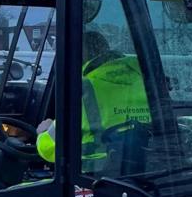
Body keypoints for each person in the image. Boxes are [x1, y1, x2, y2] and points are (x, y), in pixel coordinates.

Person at [36, 31, 151, 170]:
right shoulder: (147, 82)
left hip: (95, 180)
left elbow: (49, 150)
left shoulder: (85, 89)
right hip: (146, 173)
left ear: (78, 58)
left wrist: (43, 132)